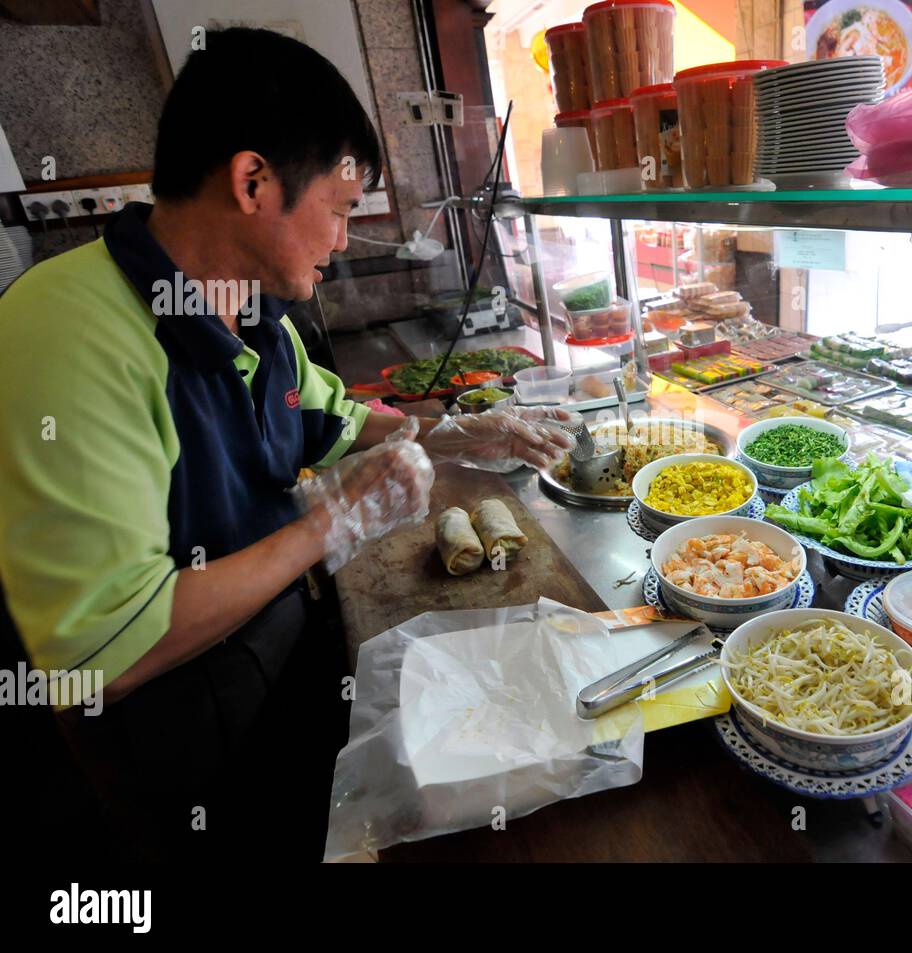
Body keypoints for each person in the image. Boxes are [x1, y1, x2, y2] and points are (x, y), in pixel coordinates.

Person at [0, 28, 577, 860]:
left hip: (284, 661)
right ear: (252, 182)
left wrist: (453, 432)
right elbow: (109, 646)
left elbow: (334, 416)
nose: (344, 240)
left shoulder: (252, 312)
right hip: (189, 748)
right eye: (341, 209)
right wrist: (330, 524)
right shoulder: (65, 332)